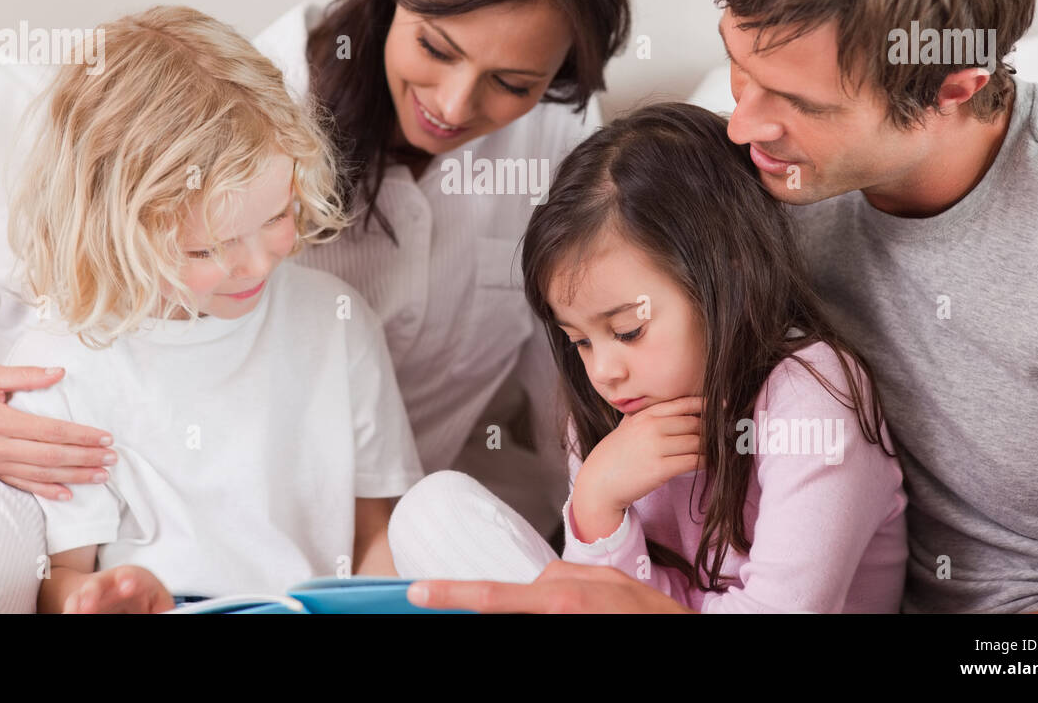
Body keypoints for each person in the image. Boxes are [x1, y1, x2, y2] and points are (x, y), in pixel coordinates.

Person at [0, 0, 630, 613]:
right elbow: (23, 259)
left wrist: (611, 517)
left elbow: (573, 378)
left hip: (354, 541)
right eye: (436, 47)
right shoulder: (247, 122)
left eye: (512, 83)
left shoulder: (558, 151)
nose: (457, 106)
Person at [406, 0, 1038, 614]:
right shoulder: (736, 190)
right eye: (741, 68)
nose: (742, 125)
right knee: (441, 522)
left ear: (953, 90)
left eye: (798, 103)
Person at [388, 103, 907, 611]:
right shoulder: (607, 421)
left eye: (628, 330)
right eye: (580, 341)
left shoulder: (809, 395)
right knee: (429, 511)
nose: (603, 371)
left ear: (727, 278)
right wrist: (596, 507)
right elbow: (604, 602)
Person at [1, 6, 423, 611]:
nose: (255, 265)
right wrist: (91, 603)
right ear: (111, 231)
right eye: (206, 248)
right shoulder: (60, 366)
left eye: (277, 216)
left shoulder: (336, 319)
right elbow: (61, 576)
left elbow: (373, 533)